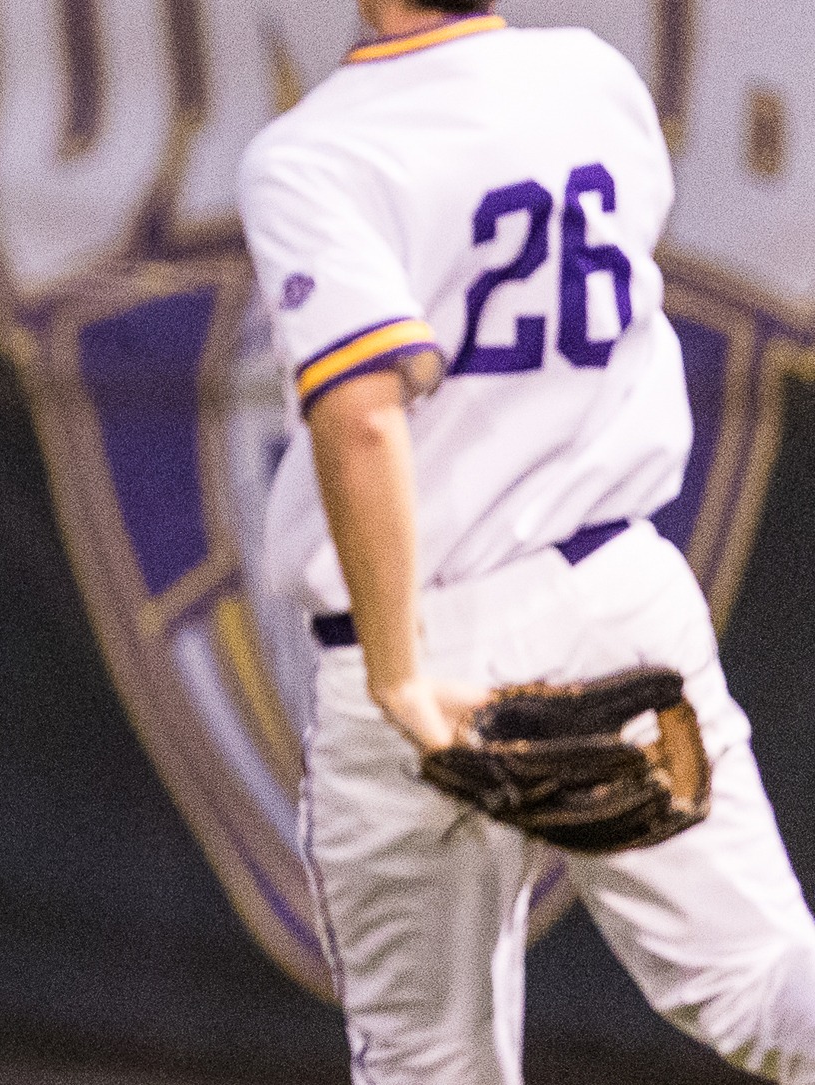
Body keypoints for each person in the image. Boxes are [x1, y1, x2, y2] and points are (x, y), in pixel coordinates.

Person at [239, 1, 815, 1081]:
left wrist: (402, 674)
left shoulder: (315, 150)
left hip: (415, 643)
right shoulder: (594, 80)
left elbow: (363, 414)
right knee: (761, 979)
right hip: (613, 592)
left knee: (427, 1056)